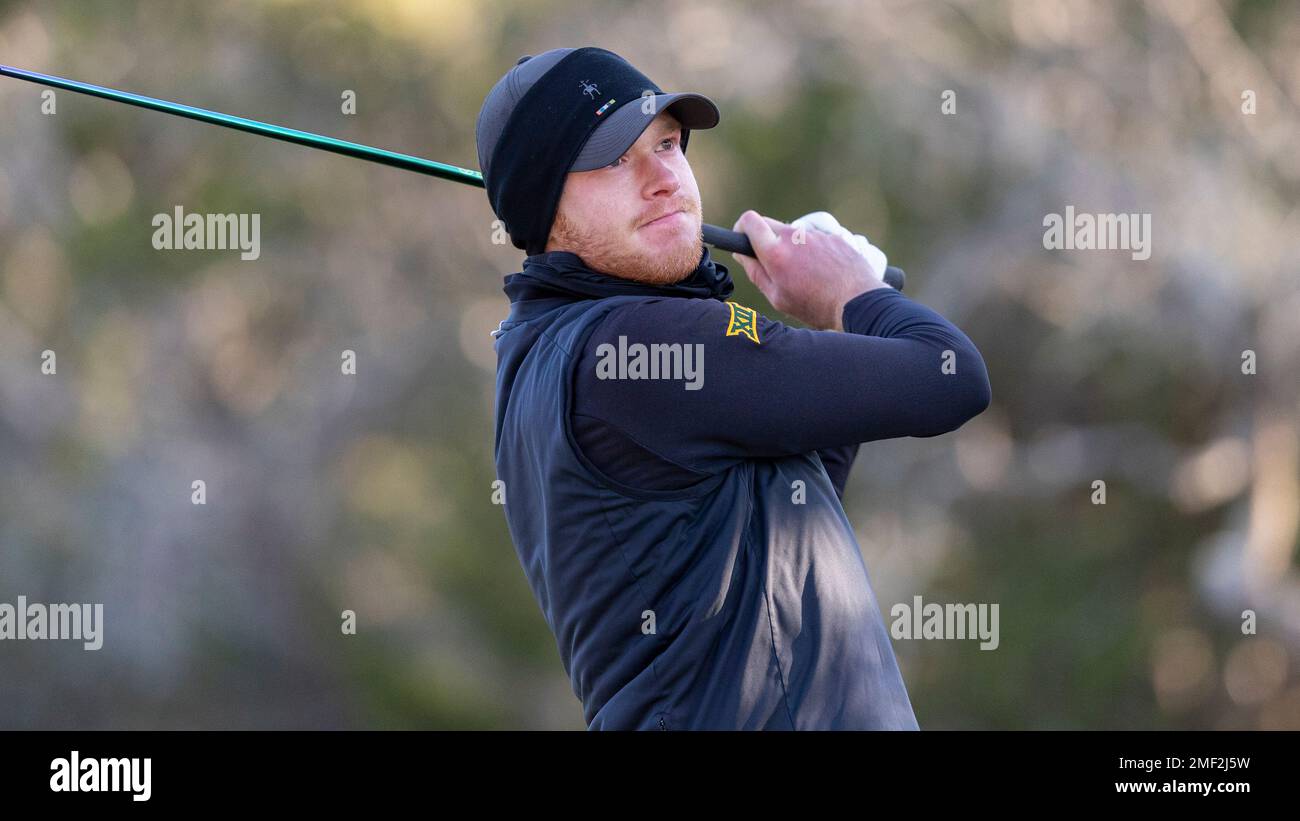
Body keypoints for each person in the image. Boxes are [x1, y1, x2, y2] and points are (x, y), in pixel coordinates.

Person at [478, 46, 991, 729]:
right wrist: (855, 296)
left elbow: (790, 517)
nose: (663, 179)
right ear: (543, 205)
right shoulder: (638, 345)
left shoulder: (548, 350)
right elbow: (949, 376)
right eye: (612, 160)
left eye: (665, 144)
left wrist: (842, 323)